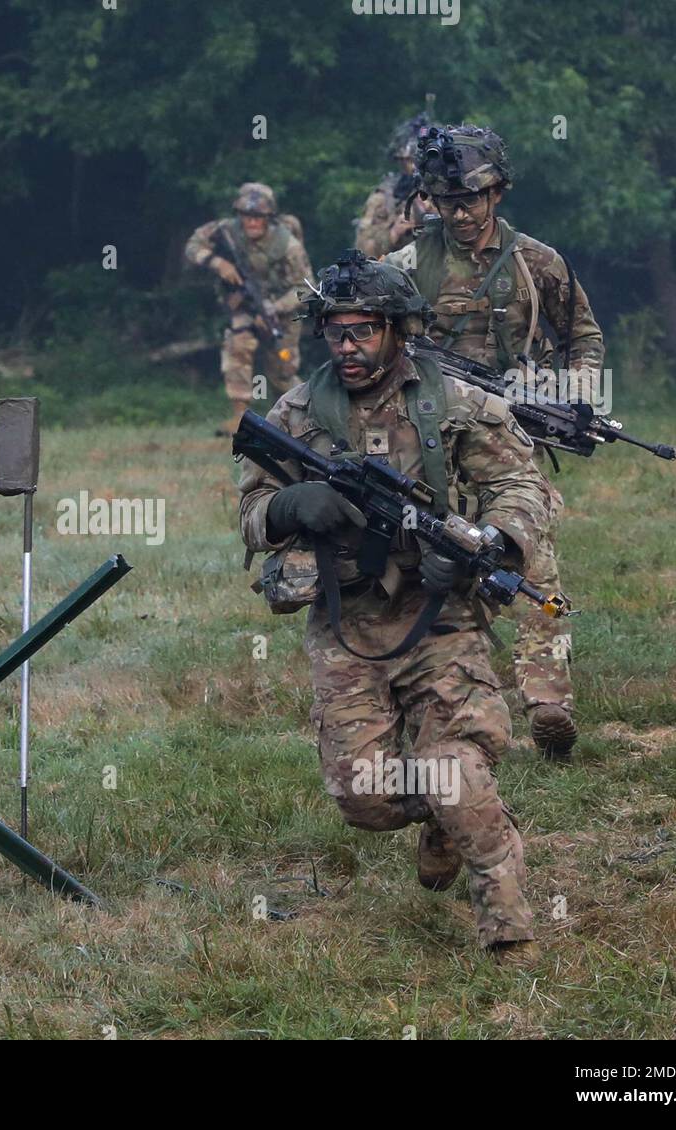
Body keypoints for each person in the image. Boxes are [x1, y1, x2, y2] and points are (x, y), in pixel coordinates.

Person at [237, 251, 550, 962]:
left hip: (442, 617)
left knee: (455, 767)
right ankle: (443, 816)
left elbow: (521, 487)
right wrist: (292, 504)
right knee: (364, 798)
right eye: (336, 333)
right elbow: (252, 512)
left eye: (364, 333)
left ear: (398, 331)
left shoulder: (454, 403)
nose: (347, 349)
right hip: (348, 623)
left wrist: (494, 542)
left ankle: (510, 932)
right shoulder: (298, 414)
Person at [385, 124, 605, 760]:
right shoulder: (404, 267)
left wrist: (573, 392)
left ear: (498, 192)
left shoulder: (538, 263)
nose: (459, 212)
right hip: (425, 443)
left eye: (472, 198)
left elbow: (582, 338)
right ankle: (441, 709)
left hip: (508, 438)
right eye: (446, 199)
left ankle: (549, 703)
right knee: (431, 572)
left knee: (531, 560)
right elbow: (372, 344)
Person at [185, 182, 313, 437]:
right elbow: (193, 246)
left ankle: (304, 419)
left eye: (259, 218)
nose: (252, 223)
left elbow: (306, 288)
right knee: (237, 345)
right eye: (247, 217)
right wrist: (216, 262)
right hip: (244, 307)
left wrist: (275, 308)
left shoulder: (287, 245)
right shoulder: (226, 232)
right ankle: (240, 416)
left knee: (283, 370)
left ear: (269, 218)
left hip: (282, 315)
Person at [354, 110, 439, 257]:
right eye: (406, 160)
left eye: (416, 159)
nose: (412, 167)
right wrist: (393, 233)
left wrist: (432, 215)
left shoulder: (447, 191)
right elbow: (361, 250)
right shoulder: (385, 197)